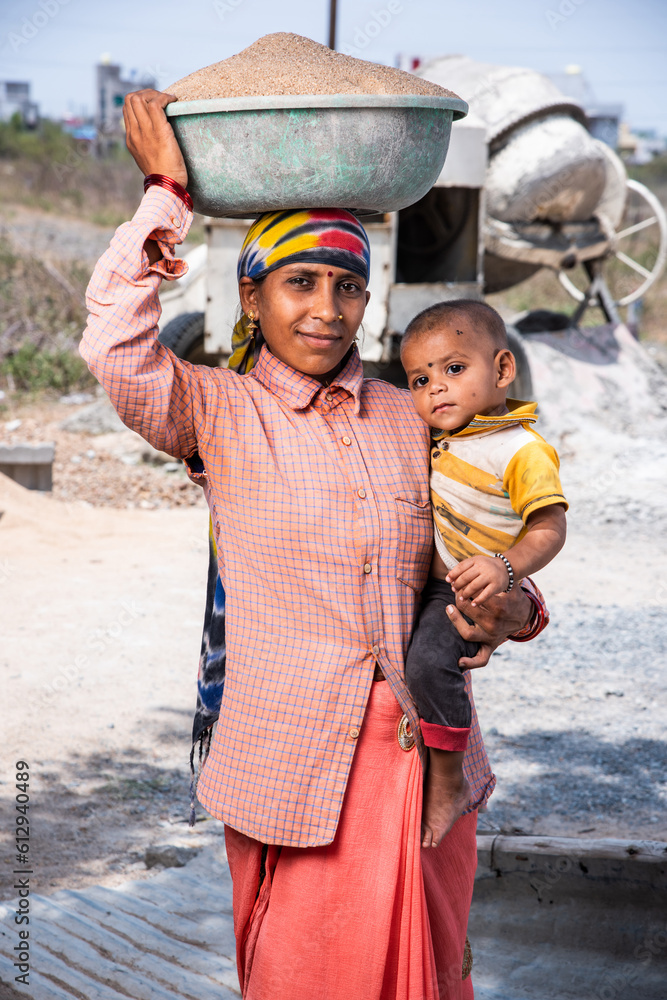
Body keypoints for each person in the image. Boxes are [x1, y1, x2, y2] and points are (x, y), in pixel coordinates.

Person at [80, 88, 551, 1000]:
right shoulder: (214, 409)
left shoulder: (412, 417)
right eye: (299, 283)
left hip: (423, 764)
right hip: (289, 766)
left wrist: (515, 605)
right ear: (251, 295)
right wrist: (164, 195)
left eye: (347, 286)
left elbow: (482, 540)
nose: (327, 310)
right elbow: (113, 346)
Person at [400, 301, 568, 848]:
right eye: (420, 379)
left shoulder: (521, 449)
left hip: (469, 590)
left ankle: (449, 779)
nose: (436, 388)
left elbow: (550, 527)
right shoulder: (437, 434)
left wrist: (506, 566)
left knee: (429, 664)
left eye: (454, 369)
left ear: (502, 369)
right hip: (429, 582)